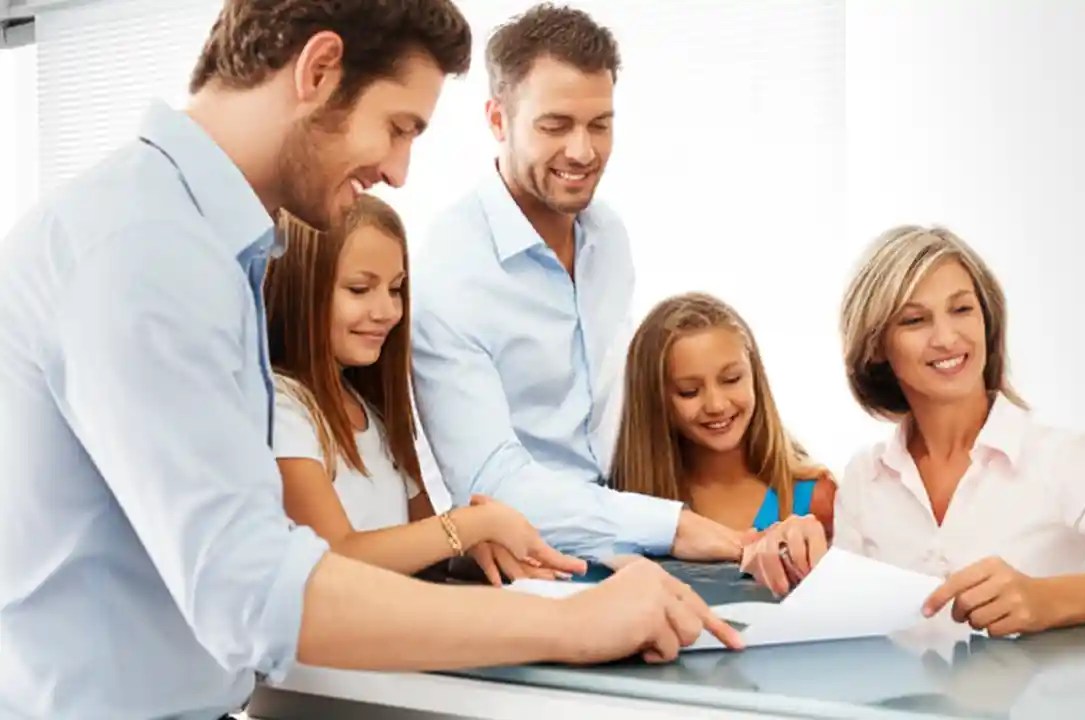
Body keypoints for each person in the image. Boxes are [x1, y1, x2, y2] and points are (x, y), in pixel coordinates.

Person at [0, 3, 739, 718]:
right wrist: (577, 624)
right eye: (398, 128)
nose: (399, 170)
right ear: (318, 70)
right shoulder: (144, 249)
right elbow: (250, 590)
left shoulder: (194, 242)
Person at [412, 4, 742, 563]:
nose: (583, 152)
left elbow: (618, 413)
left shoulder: (608, 236)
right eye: (555, 125)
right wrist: (678, 526)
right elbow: (493, 486)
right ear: (498, 120)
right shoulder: (451, 271)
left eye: (600, 124)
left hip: (625, 543)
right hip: (520, 563)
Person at [825, 224, 1085, 636]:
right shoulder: (866, 477)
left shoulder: (1060, 458)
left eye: (962, 309)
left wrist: (1046, 600)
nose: (947, 337)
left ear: (987, 319)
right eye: (915, 320)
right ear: (877, 345)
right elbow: (844, 628)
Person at [266, 197, 578, 584]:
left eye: (396, 289)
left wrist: (479, 546)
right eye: (360, 289)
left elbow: (420, 541)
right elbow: (336, 556)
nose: (387, 312)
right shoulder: (283, 408)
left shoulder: (373, 413)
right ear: (302, 288)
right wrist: (470, 525)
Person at [610, 292, 837, 540]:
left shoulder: (818, 499)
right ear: (654, 401)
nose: (716, 405)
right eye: (689, 392)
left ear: (755, 376)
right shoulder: (613, 506)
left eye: (731, 379)